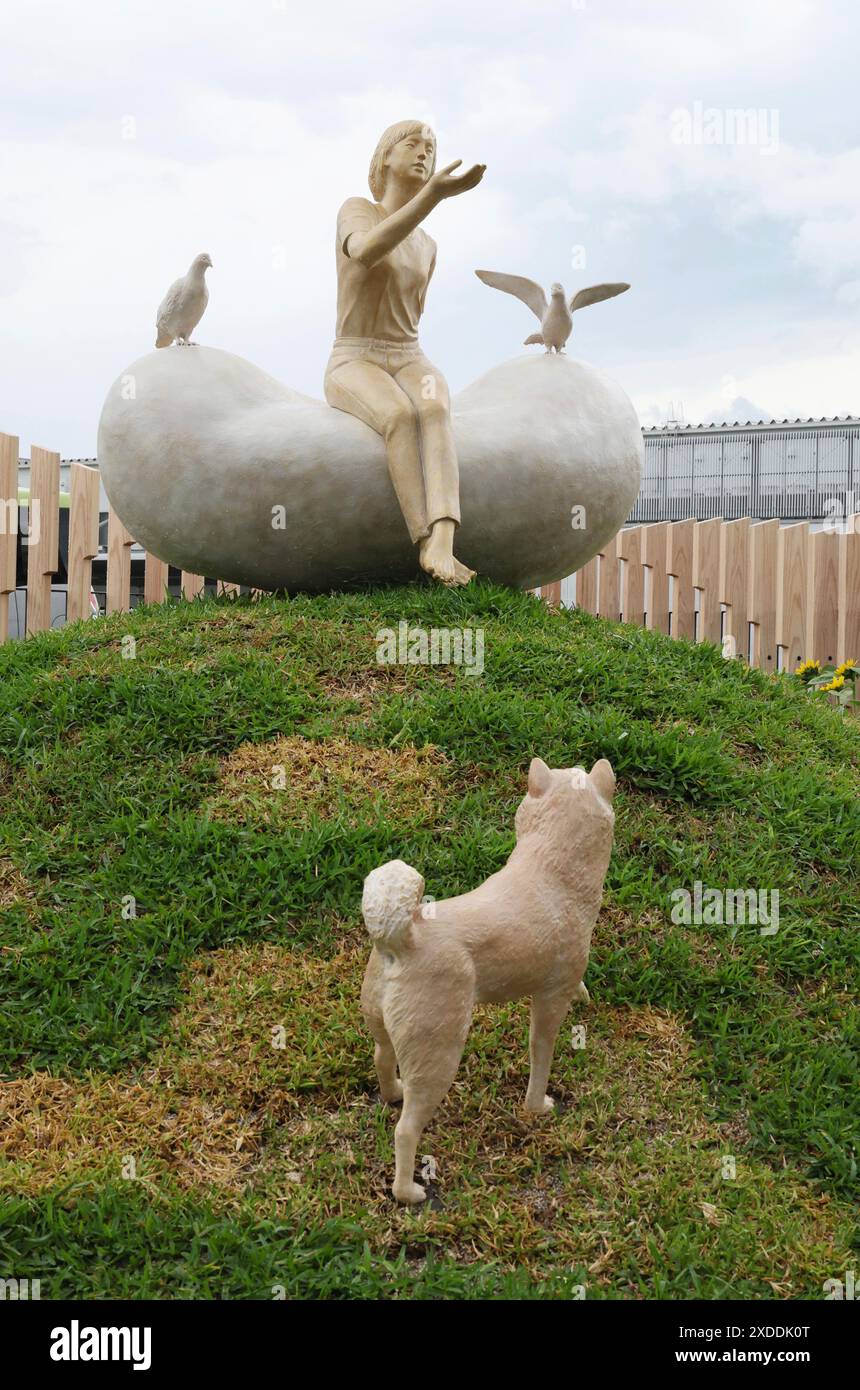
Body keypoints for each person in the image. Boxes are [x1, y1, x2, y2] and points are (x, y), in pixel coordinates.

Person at [324, 120, 485, 586]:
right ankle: (422, 538)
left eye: (431, 148)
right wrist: (432, 196)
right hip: (355, 355)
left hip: (409, 354)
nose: (423, 153)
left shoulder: (428, 245)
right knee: (397, 415)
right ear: (385, 159)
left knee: (434, 407)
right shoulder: (357, 210)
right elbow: (366, 251)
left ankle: (444, 541)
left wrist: (429, 200)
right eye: (411, 145)